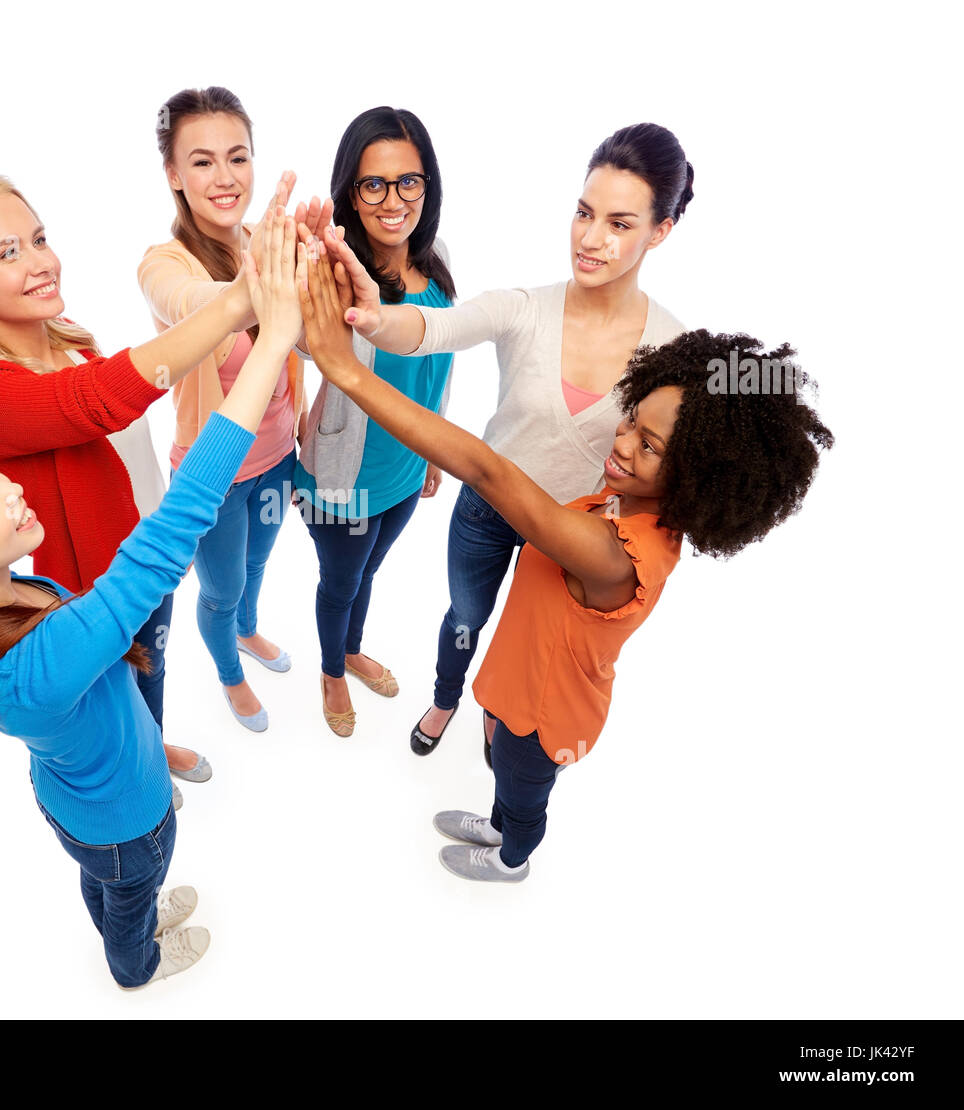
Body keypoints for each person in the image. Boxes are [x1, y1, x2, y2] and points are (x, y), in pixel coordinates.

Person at [0, 205, 306, 984]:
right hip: (129, 822)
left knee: (108, 876)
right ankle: (132, 959)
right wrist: (268, 338)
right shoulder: (45, 658)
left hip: (82, 803)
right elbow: (176, 524)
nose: (9, 488)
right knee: (134, 877)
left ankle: (120, 906)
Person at [299, 243, 832, 881]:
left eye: (651, 445)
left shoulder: (617, 554)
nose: (622, 442)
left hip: (544, 716)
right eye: (631, 422)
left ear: (698, 475)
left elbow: (486, 468)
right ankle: (498, 821)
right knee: (505, 771)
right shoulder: (625, 502)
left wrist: (349, 371)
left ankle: (512, 854)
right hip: (521, 683)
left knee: (524, 788)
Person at [323, 123, 694, 757]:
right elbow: (434, 327)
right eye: (584, 213)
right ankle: (446, 699)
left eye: (620, 224)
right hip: (485, 513)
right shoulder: (524, 308)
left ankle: (500, 712)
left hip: (571, 532)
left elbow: (671, 467)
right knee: (466, 617)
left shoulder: (672, 349)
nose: (591, 238)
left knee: (528, 637)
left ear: (660, 231)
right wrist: (374, 316)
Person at [0, 171, 287, 786]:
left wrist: (170, 544)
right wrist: (238, 302)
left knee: (152, 674)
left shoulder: (70, 341)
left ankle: (153, 748)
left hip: (143, 565)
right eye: (8, 253)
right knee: (112, 703)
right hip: (86, 600)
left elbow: (127, 454)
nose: (41, 262)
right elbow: (103, 402)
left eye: (38, 239)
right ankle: (137, 784)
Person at [138, 87, 318, 733]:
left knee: (256, 567)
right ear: (174, 175)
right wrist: (264, 277)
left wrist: (315, 274)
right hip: (213, 475)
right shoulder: (164, 265)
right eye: (203, 161)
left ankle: (247, 632)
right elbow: (193, 302)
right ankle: (229, 673)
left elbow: (300, 342)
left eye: (237, 158)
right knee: (218, 589)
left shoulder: (267, 242)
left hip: (278, 459)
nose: (224, 177)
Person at [291, 107, 456, 737]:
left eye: (408, 181)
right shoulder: (336, 275)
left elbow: (437, 360)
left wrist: (436, 448)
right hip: (344, 480)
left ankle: (349, 649)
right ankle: (333, 670)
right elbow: (307, 342)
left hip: (408, 468)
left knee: (368, 573)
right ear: (350, 196)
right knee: (340, 582)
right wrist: (303, 272)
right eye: (373, 185)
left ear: (427, 186)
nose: (394, 200)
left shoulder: (436, 257)